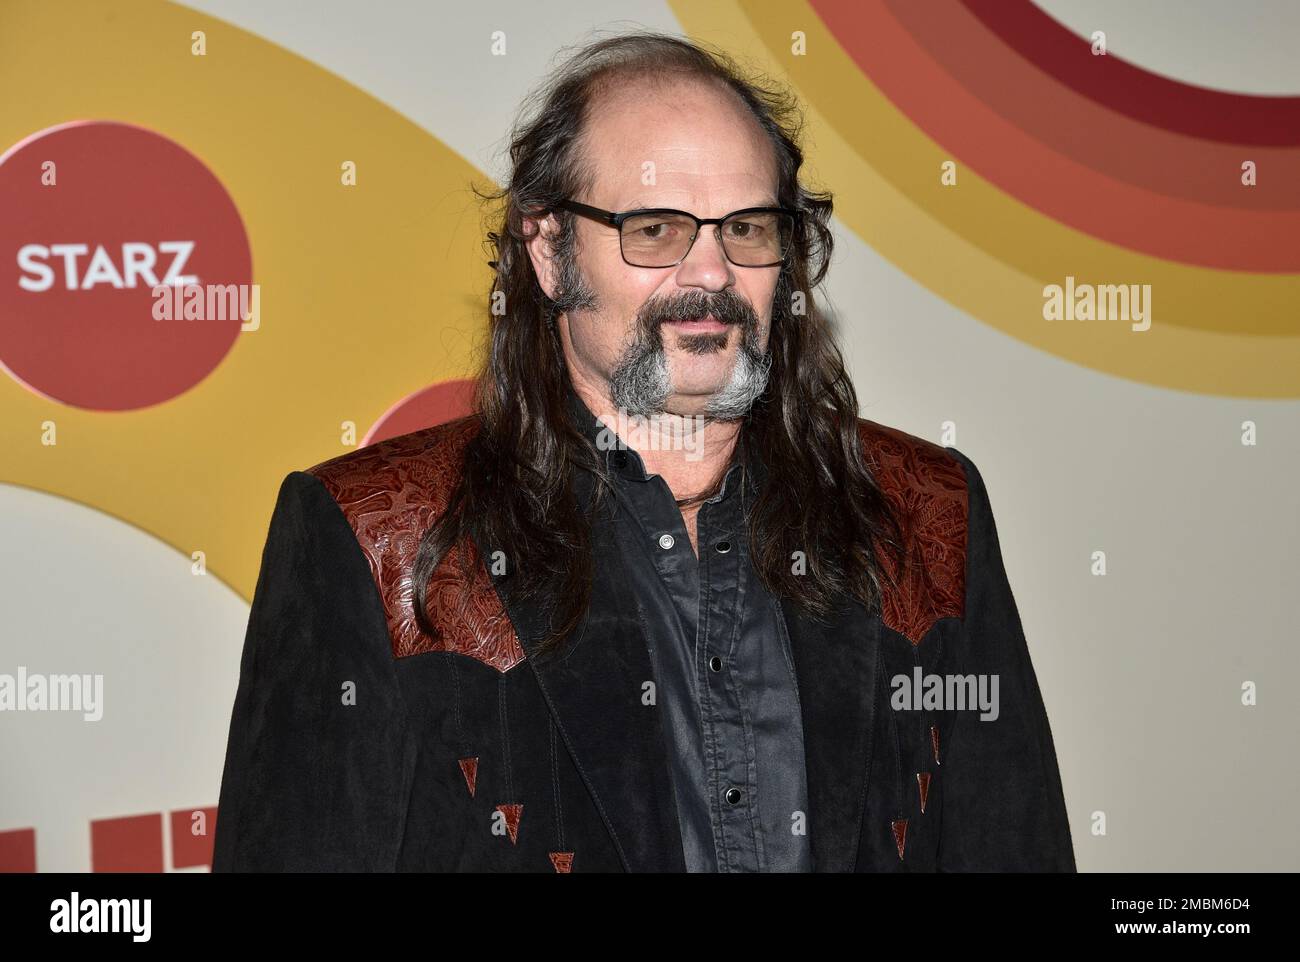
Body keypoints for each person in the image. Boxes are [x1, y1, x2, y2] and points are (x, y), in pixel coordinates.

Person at [212, 30, 1075, 872]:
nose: (710, 274)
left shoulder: (928, 510)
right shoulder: (375, 537)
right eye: (656, 229)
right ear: (549, 252)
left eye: (746, 227)